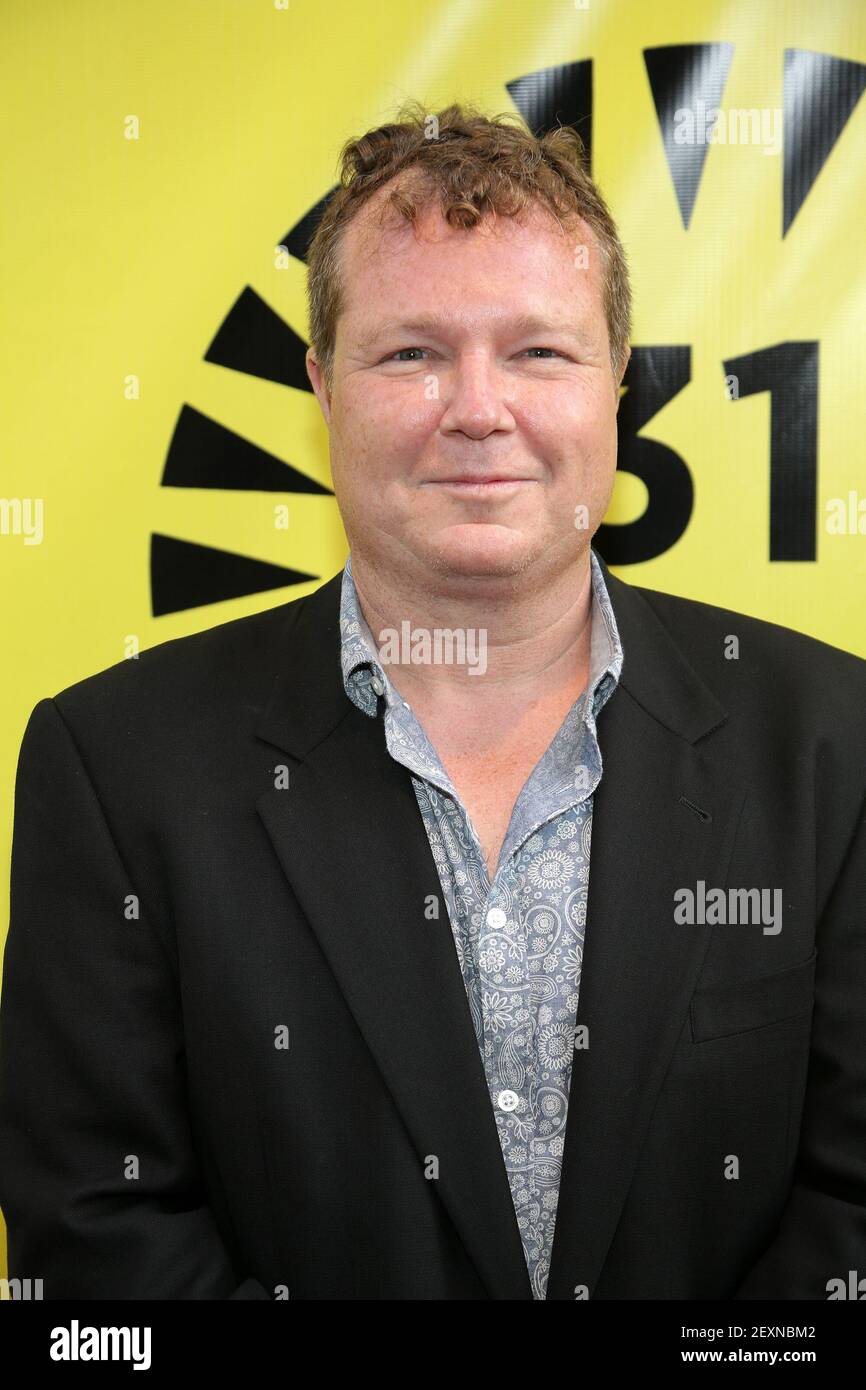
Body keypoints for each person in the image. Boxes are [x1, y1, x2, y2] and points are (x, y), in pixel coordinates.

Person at [1, 101, 864, 1301]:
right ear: (321, 386)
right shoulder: (115, 768)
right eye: (411, 352)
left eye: (538, 352)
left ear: (616, 383)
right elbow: (97, 1240)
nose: (476, 408)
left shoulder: (832, 745)